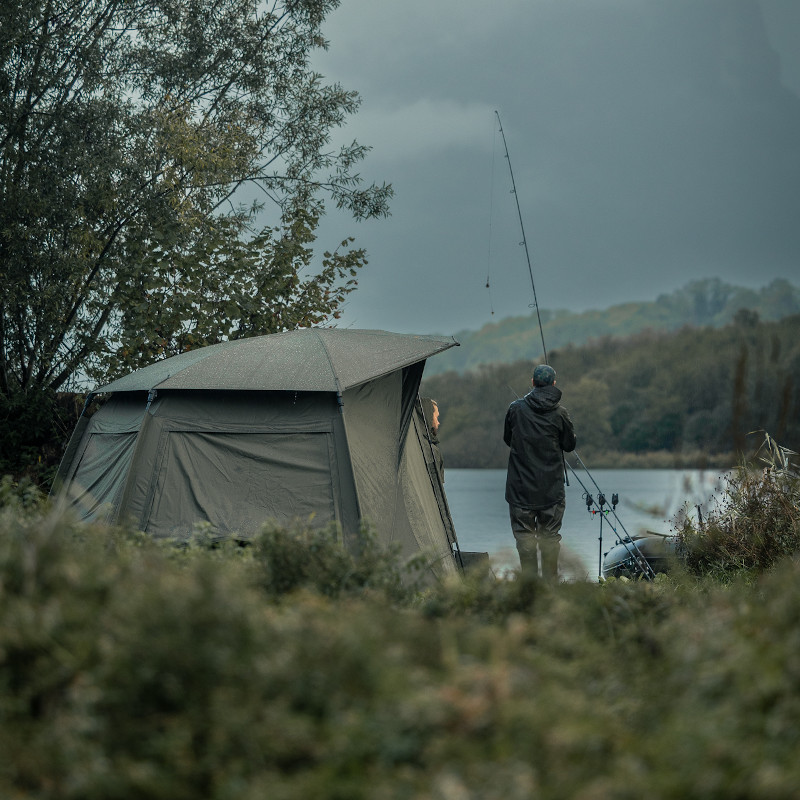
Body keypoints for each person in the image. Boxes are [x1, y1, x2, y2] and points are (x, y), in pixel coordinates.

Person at [503, 364, 576, 581]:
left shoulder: (515, 409)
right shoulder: (561, 413)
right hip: (551, 490)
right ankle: (550, 588)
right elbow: (569, 445)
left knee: (525, 540)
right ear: (554, 384)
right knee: (550, 539)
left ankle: (530, 589)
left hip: (520, 489)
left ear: (532, 382)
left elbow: (508, 439)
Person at [419, 397, 444, 484]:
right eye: (436, 417)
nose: (438, 422)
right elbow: (437, 487)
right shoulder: (432, 452)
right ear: (428, 417)